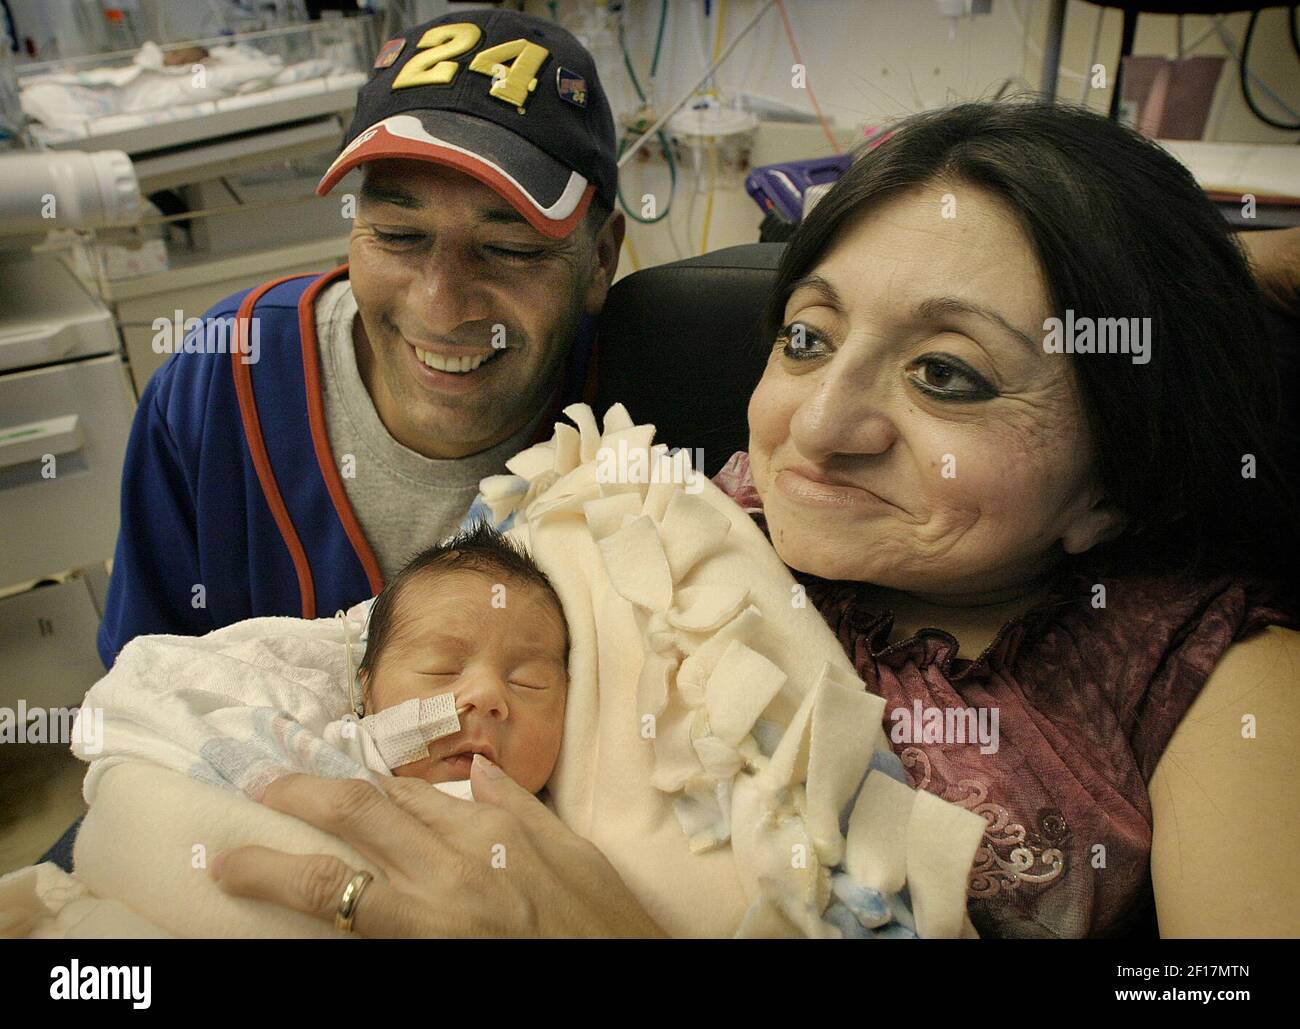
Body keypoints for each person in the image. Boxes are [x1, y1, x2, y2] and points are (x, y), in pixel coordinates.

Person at [210, 100, 1300, 938]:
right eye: (809, 339)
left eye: (946, 377)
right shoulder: (654, 521)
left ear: (1117, 468)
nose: (817, 432)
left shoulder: (1206, 685)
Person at [94, 7, 625, 669]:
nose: (441, 305)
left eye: (508, 249)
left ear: (601, 259)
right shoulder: (227, 376)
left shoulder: (645, 392)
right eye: (399, 236)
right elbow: (139, 691)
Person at [345, 522, 569, 795]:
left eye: (527, 682)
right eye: (442, 670)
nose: (486, 696)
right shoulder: (337, 762)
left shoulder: (561, 827)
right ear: (367, 694)